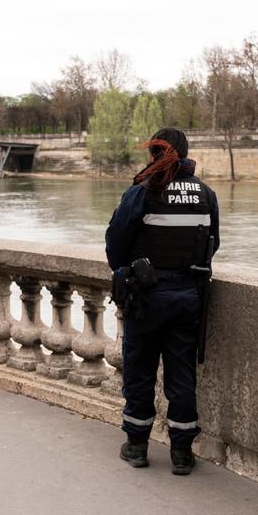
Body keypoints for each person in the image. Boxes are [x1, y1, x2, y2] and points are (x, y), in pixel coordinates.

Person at [105, 128, 219, 475]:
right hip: (188, 297)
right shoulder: (205, 194)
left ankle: (137, 445)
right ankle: (181, 453)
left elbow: (115, 245)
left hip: (146, 296)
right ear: (186, 154)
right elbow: (212, 244)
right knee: (181, 373)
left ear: (153, 153)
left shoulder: (142, 190)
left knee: (139, 369)